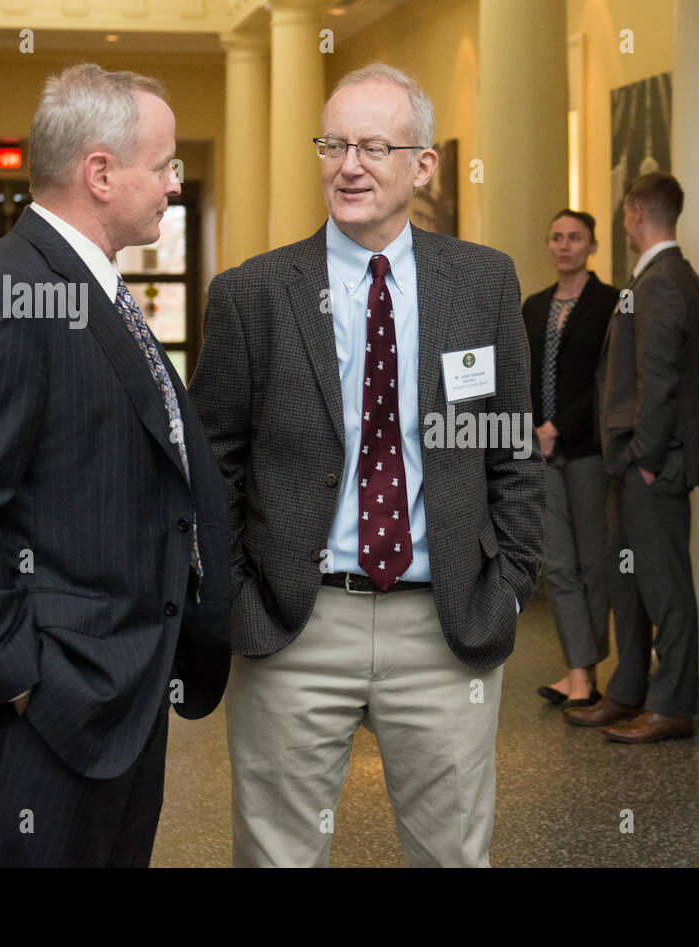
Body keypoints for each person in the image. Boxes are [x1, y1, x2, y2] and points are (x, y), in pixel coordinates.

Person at [189, 62, 543, 867]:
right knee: (277, 857)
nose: (349, 165)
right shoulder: (254, 294)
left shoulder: (482, 282)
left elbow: (514, 446)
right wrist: (242, 595)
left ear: (422, 165)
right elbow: (214, 463)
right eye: (335, 144)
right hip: (295, 626)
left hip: (445, 624)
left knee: (452, 856)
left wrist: (512, 584)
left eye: (374, 147)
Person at [0, 63, 231, 867]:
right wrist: (23, 685)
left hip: (122, 699)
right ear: (101, 173)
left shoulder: (94, 288)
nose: (175, 187)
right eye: (165, 165)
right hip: (49, 720)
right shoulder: (2, 295)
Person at [564, 172, 699, 744]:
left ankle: (673, 705)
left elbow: (660, 378)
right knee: (626, 582)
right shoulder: (656, 278)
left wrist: (646, 457)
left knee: (664, 586)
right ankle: (627, 692)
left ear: (634, 213)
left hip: (652, 462)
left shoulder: (663, 282)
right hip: (630, 461)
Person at [524, 209, 617, 707]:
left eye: (575, 237)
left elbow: (608, 380)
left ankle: (592, 665)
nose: (564, 246)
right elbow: (519, 374)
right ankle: (578, 673)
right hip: (540, 451)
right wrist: (535, 430)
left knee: (594, 562)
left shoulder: (611, 303)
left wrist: (559, 427)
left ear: (592, 246)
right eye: (557, 237)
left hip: (587, 449)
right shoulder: (534, 307)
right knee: (558, 563)